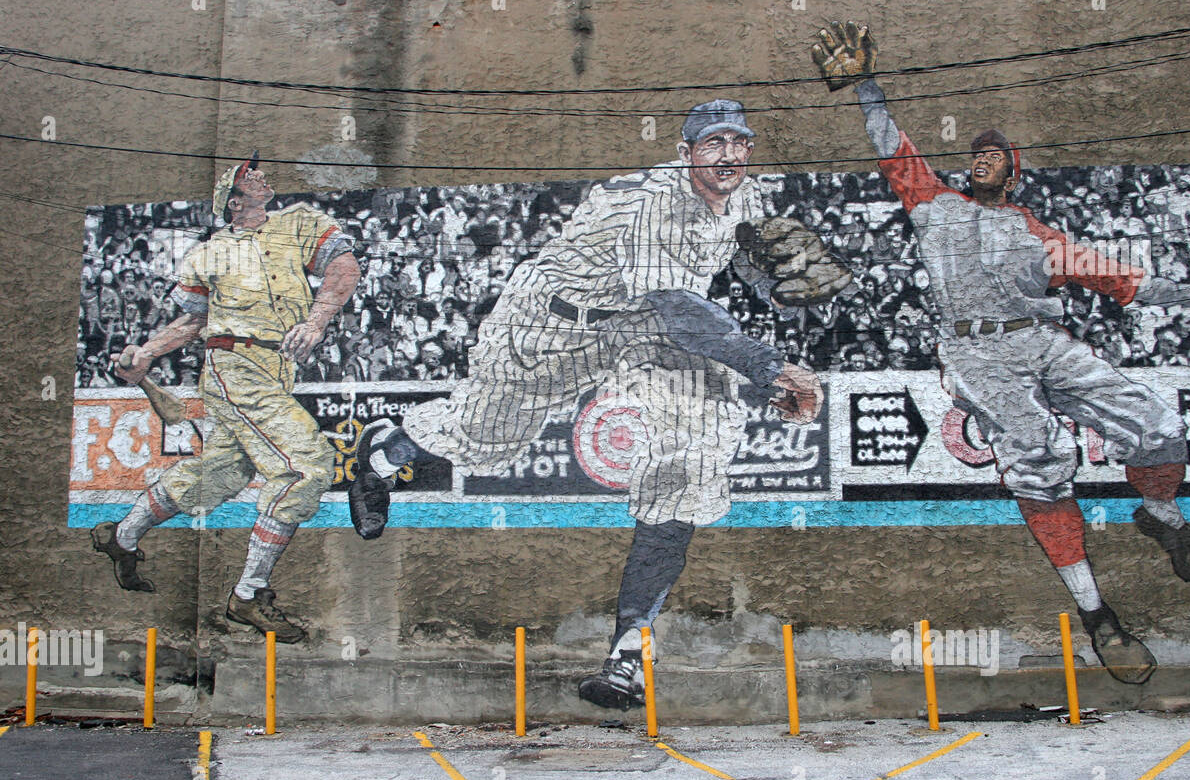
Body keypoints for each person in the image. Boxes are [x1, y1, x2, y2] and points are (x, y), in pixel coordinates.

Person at [348, 101, 827, 709]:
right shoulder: (651, 201)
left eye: (738, 142)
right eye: (713, 144)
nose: (728, 154)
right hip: (556, 321)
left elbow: (733, 261)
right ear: (686, 154)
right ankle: (384, 452)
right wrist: (766, 366)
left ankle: (629, 648)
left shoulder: (747, 198)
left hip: (642, 326)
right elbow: (685, 313)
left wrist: (775, 285)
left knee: (690, 459)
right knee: (483, 440)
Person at [812, 22, 1190, 684]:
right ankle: (1099, 617)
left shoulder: (1035, 233)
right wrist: (866, 85)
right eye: (976, 153)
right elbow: (893, 147)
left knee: (1158, 426)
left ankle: (1162, 518)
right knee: (1044, 456)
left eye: (994, 154)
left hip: (1039, 340)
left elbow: (1120, 278)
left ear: (1012, 172)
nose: (981, 157)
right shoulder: (935, 206)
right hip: (975, 351)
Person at [91, 154, 362, 643]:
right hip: (232, 362)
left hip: (277, 366)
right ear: (233, 202)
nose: (258, 173)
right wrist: (147, 352)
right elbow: (193, 321)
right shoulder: (209, 251)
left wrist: (316, 320)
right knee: (307, 467)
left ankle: (122, 535)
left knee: (220, 474)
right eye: (246, 175)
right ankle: (248, 593)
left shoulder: (299, 222)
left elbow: (344, 266)